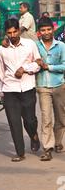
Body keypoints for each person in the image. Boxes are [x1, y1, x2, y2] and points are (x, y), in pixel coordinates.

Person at [0, 18, 41, 162]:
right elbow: (0, 71)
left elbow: (38, 63)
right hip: (10, 89)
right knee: (14, 122)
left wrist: (25, 68)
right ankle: (20, 153)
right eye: (9, 33)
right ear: (6, 33)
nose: (13, 35)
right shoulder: (2, 49)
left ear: (19, 30)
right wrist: (1, 91)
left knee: (30, 120)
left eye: (15, 31)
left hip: (27, 87)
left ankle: (34, 136)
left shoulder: (30, 44)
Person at [35, 18, 65, 161]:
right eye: (43, 30)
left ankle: (58, 142)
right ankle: (48, 148)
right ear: (39, 32)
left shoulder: (61, 46)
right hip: (42, 87)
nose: (46, 32)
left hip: (59, 85)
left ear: (53, 30)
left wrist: (49, 67)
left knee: (61, 118)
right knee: (46, 118)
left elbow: (64, 65)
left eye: (48, 30)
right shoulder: (35, 46)